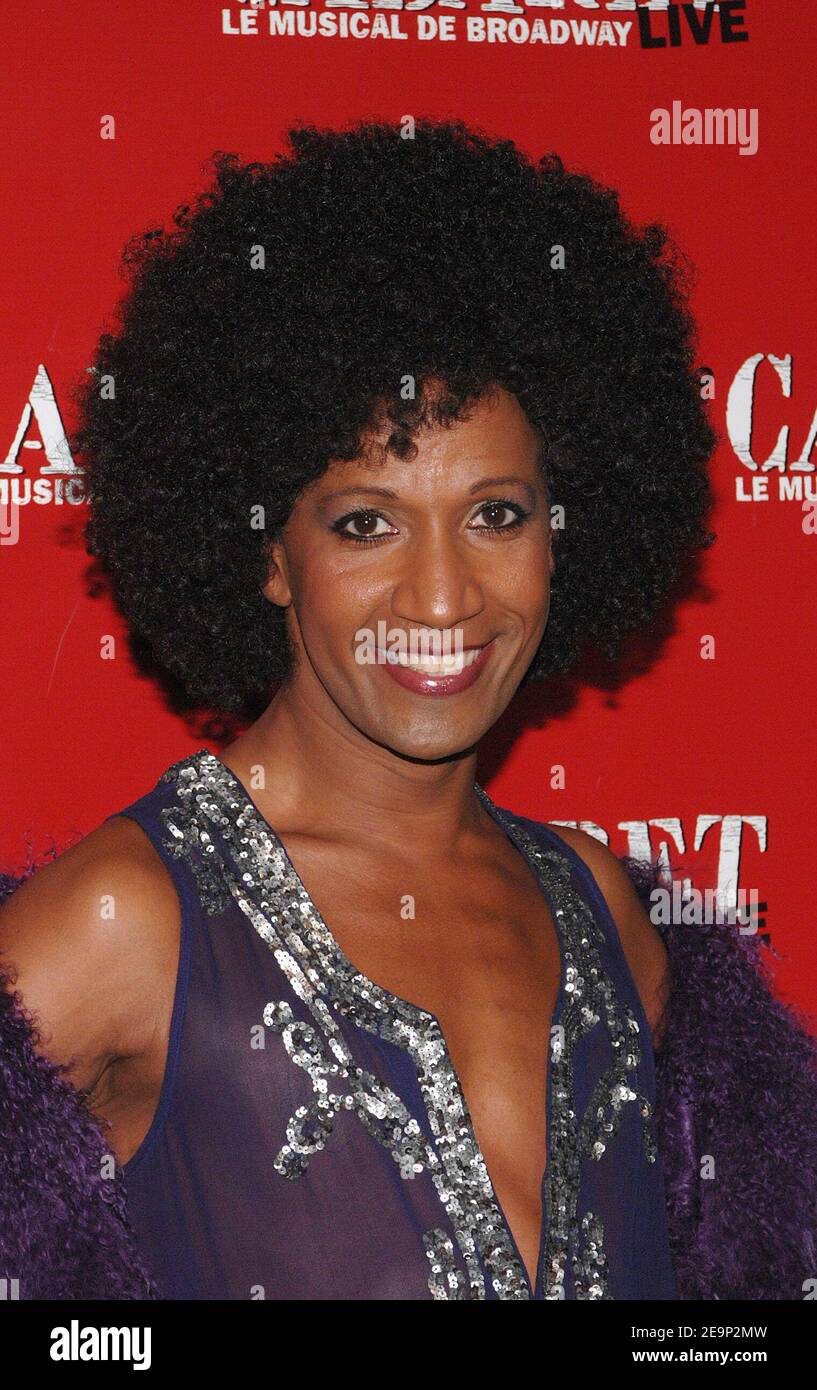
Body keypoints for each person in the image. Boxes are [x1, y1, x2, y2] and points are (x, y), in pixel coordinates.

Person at [2, 118, 817, 1302]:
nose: (442, 595)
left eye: (496, 513)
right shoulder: (129, 922)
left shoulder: (605, 915)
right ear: (267, 553)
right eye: (364, 523)